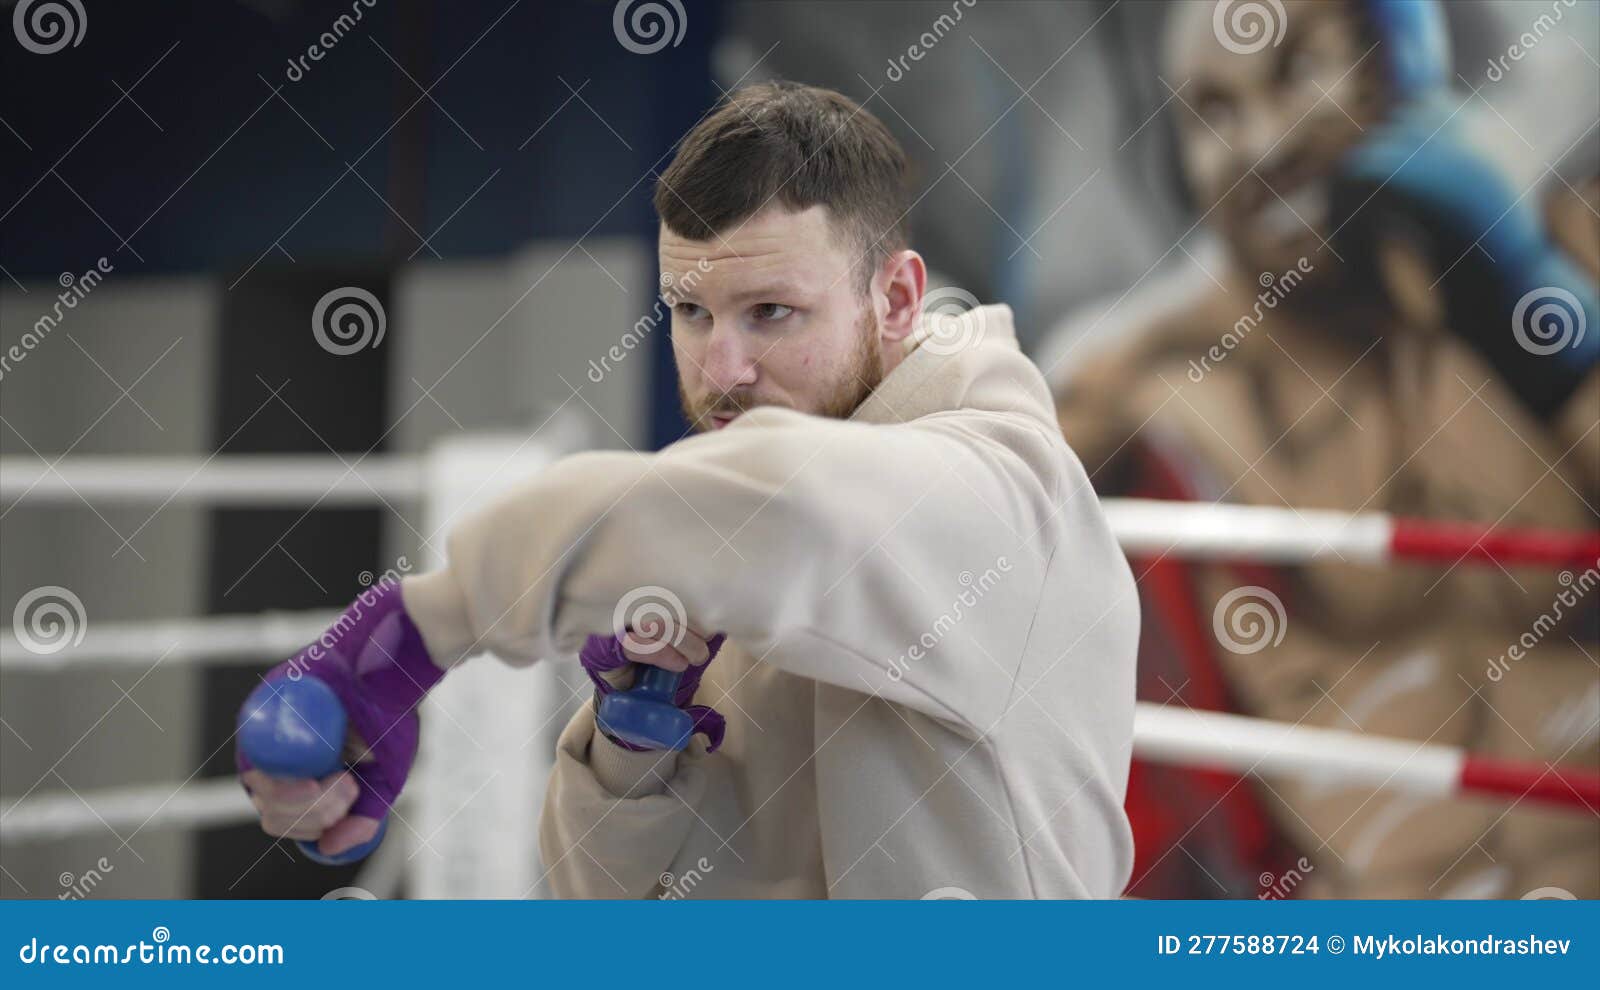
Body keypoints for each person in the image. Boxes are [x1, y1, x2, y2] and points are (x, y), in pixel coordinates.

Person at [238, 81, 1140, 899]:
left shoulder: (1000, 497)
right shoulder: (730, 544)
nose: (721, 368)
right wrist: (635, 747)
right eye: (691, 311)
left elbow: (785, 501)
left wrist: (411, 635)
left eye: (772, 313)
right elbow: (599, 912)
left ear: (898, 301)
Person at [1048, 0, 1598, 898]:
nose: (1263, 145)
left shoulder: (1566, 250)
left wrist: (1538, 311)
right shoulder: (1144, 375)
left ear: (1405, 59)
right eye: (1212, 114)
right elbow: (908, 541)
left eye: (1303, 69)